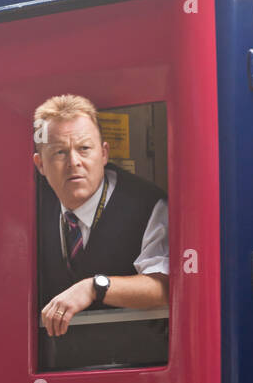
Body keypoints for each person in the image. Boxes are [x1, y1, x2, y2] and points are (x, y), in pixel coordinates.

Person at [32, 93, 168, 368]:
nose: (74, 162)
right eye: (59, 152)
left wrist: (95, 287)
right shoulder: (27, 208)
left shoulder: (147, 203)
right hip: (59, 374)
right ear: (40, 165)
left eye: (84, 149)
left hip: (139, 370)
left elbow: (164, 286)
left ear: (104, 153)